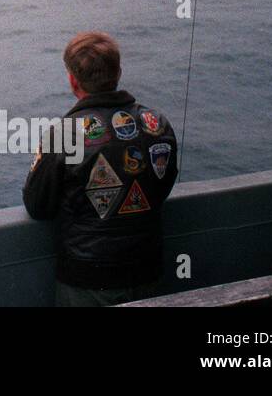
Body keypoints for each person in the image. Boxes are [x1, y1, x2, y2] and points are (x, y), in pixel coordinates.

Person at [23, 31, 178, 306]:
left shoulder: (65, 135)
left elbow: (38, 205)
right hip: (148, 271)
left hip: (88, 279)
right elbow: (162, 186)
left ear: (73, 80)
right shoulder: (157, 124)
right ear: (118, 71)